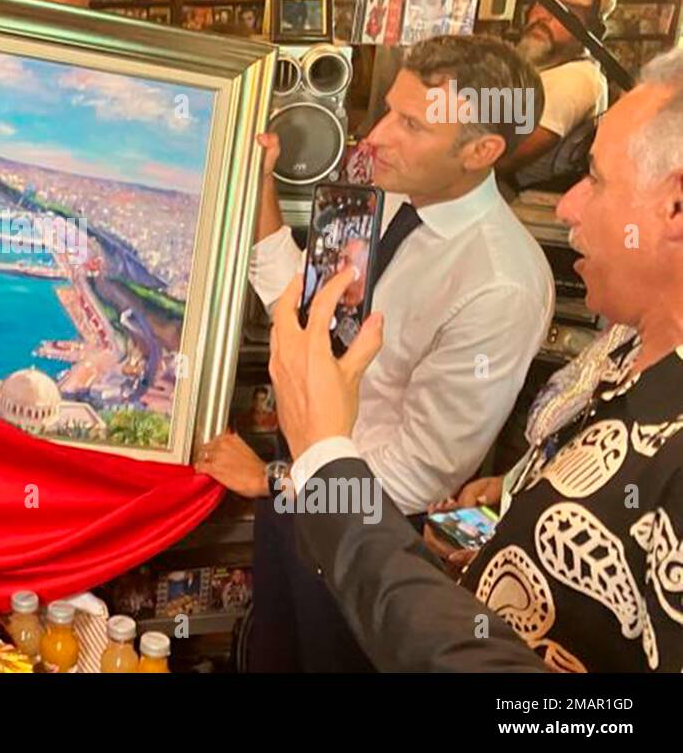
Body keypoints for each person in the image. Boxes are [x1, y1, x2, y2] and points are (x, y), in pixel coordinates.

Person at [271, 46, 683, 672]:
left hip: (364, 538)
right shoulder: (620, 345)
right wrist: (513, 502)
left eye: (595, 178)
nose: (566, 205)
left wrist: (308, 472)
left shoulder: (503, 281)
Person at [198, 35, 555, 671]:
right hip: (298, 490)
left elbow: (424, 471)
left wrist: (279, 480)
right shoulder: (385, 192)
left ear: (482, 151)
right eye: (388, 110)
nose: (376, 137)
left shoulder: (501, 282)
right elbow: (304, 308)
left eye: (410, 124)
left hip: (367, 534)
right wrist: (257, 186)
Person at [498, 0, 617, 190]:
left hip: (519, 200)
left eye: (565, 13)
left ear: (591, 32)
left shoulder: (575, 79)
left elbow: (504, 161)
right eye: (542, 4)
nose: (543, 17)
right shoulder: (542, 69)